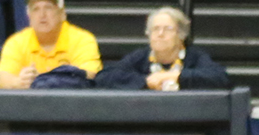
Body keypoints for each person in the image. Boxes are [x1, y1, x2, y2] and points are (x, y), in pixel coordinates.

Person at [0, 0, 101, 89]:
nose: (42, 15)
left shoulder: (82, 40)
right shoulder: (16, 42)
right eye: (35, 9)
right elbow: (1, 80)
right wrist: (19, 82)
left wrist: (46, 80)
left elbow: (91, 74)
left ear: (62, 13)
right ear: (28, 15)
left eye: (48, 8)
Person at [96, 6, 230, 91]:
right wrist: (145, 82)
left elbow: (220, 78)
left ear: (181, 34)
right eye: (155, 29)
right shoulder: (140, 57)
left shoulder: (195, 57)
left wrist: (176, 76)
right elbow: (104, 77)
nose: (160, 34)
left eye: (168, 29)